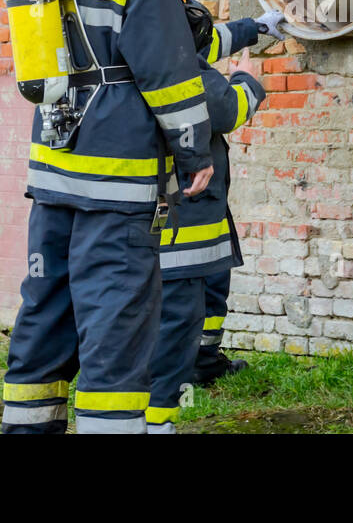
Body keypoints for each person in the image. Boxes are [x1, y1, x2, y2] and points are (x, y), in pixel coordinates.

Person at [0, 0, 214, 434]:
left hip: (53, 174)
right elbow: (166, 72)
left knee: (45, 314)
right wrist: (194, 150)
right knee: (116, 325)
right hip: (115, 185)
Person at [145, 39, 270, 433]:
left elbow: (207, 35)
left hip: (182, 209)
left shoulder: (136, 35)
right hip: (185, 209)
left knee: (208, 285)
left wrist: (256, 27)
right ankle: (160, 410)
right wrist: (248, 81)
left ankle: (204, 359)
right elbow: (224, 108)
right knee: (183, 309)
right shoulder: (168, 51)